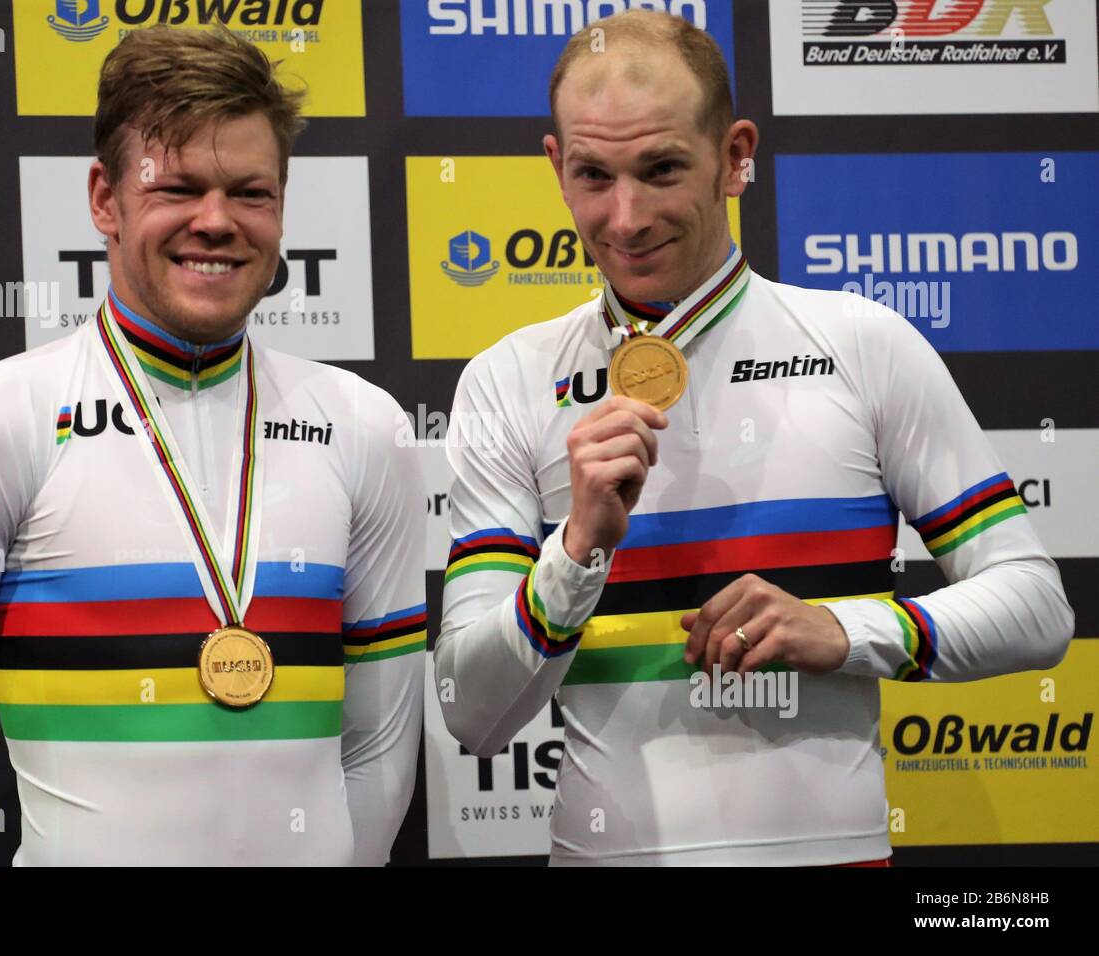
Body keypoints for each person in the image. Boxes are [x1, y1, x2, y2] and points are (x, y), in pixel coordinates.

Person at [435, 9, 1073, 866]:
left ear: (736, 156)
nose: (623, 219)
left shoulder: (860, 344)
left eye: (661, 169)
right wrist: (576, 549)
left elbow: (1037, 608)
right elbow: (473, 715)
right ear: (556, 165)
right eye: (593, 174)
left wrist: (844, 630)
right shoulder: (507, 381)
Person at [0, 25, 425, 866]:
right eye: (177, 187)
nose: (216, 222)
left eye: (250, 192)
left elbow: (377, 757)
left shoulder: (366, 427)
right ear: (105, 199)